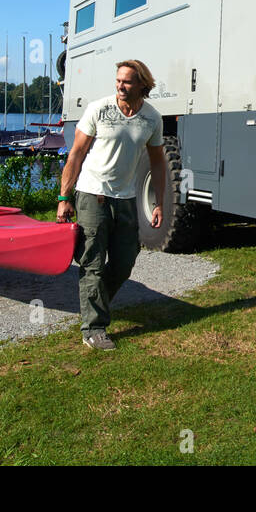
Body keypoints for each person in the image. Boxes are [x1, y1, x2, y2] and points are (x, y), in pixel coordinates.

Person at [57, 60, 165, 350]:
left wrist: (159, 203)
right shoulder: (99, 109)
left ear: (143, 84)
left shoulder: (152, 118)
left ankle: (94, 305)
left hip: (126, 198)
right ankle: (94, 328)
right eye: (118, 80)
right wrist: (64, 198)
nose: (120, 86)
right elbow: (76, 155)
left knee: (125, 261)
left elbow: (158, 163)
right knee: (92, 262)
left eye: (127, 82)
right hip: (92, 194)